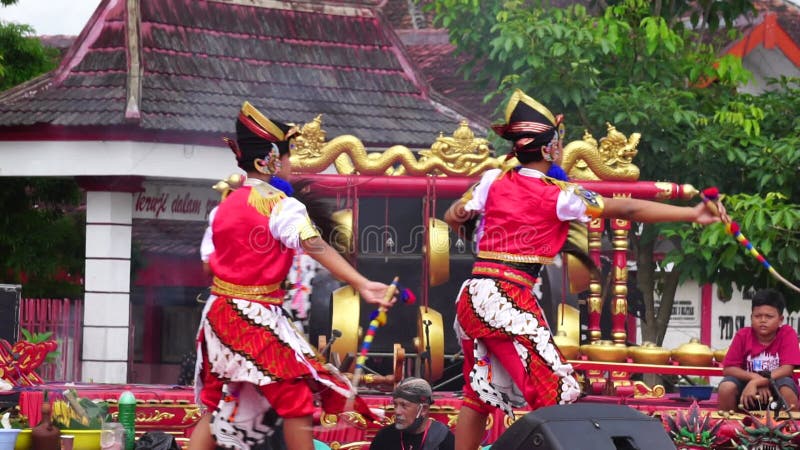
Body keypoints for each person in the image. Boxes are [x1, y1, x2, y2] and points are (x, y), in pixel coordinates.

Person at [443, 89, 726, 450]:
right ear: (549, 149)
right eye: (558, 140)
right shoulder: (560, 194)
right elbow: (627, 210)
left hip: (474, 294)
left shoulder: (492, 181)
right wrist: (693, 214)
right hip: (504, 297)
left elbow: (455, 214)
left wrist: (461, 215)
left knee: (477, 394)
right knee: (555, 392)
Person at [189, 101, 395, 450]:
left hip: (218, 314)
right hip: (252, 316)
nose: (289, 164)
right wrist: (361, 283)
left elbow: (209, 265)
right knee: (296, 397)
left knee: (219, 402)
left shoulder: (224, 207)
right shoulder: (281, 205)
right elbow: (314, 245)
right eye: (286, 156)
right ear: (267, 159)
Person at [718, 288, 800, 412]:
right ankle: (728, 426)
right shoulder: (743, 335)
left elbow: (787, 369)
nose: (763, 320)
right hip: (747, 388)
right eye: (757, 316)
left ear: (780, 320)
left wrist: (759, 382)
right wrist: (754, 379)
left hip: (777, 385)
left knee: (786, 386)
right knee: (726, 387)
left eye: (769, 316)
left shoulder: (787, 333)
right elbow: (728, 369)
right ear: (751, 317)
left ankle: (792, 428)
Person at [369, 378, 455, 450]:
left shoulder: (443, 438)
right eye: (395, 404)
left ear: (423, 409)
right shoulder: (385, 437)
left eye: (404, 405)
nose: (397, 411)